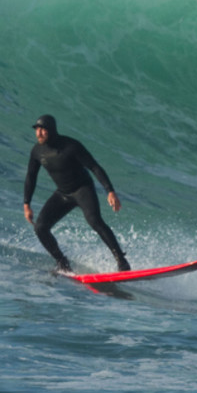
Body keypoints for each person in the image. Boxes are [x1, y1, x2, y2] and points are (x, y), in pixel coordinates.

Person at [23, 114, 130, 274]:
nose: (39, 133)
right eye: (37, 129)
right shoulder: (37, 151)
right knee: (40, 228)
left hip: (82, 189)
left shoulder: (71, 146)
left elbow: (94, 167)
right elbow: (31, 177)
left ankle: (122, 261)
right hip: (63, 194)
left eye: (43, 129)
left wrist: (110, 191)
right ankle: (62, 263)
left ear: (52, 130)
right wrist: (27, 204)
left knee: (94, 221)